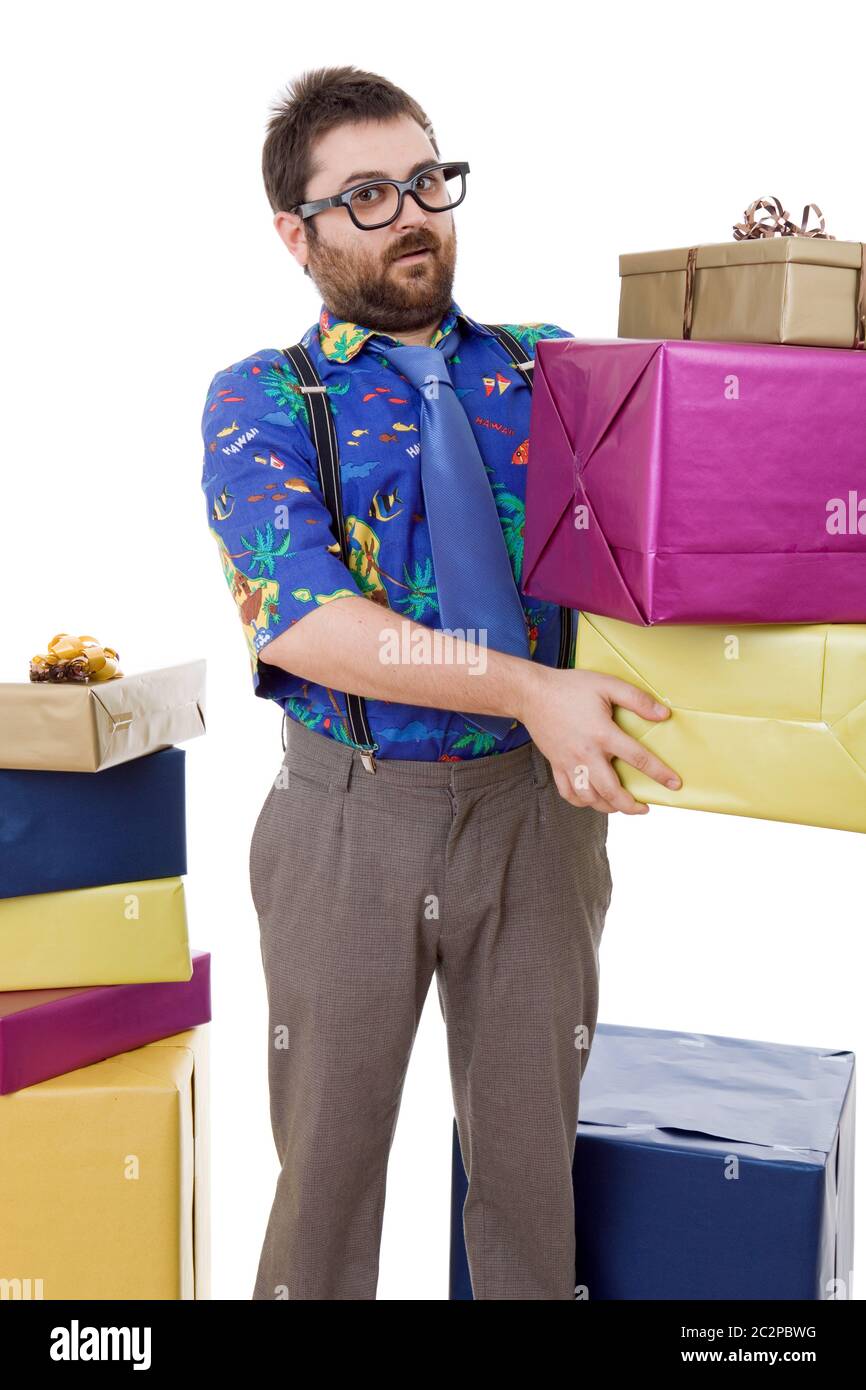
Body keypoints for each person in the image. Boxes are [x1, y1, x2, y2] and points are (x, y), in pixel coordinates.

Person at [200, 64, 681, 1301]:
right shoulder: (264, 398)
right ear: (295, 233)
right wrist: (528, 688)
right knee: (327, 1174)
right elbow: (304, 621)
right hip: (347, 819)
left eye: (424, 180)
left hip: (536, 815)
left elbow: (703, 468)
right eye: (366, 194)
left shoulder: (551, 369)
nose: (410, 213)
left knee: (528, 1175)